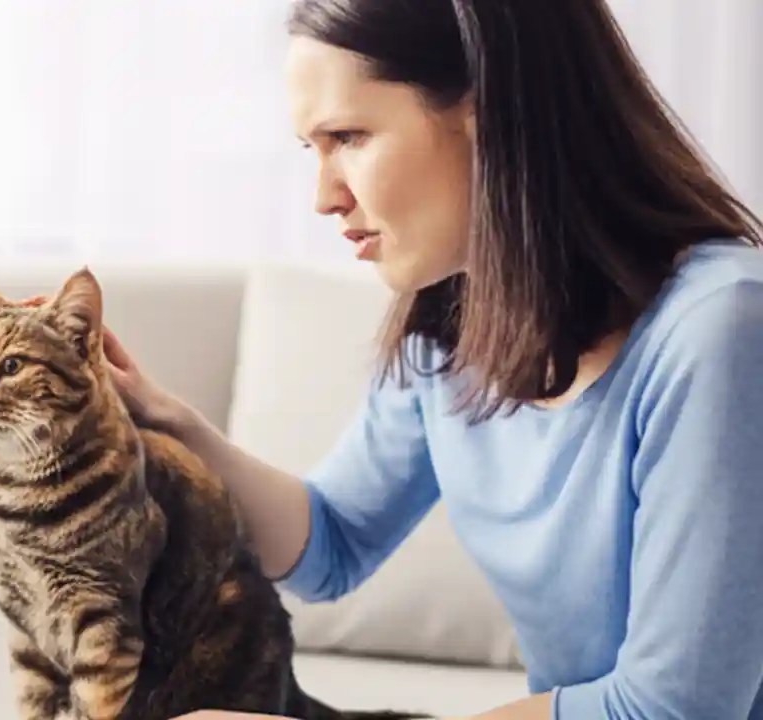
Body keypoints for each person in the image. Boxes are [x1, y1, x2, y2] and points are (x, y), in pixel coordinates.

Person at [96, 1, 763, 719]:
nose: (324, 196)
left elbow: (677, 709)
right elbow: (333, 544)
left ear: (487, 111)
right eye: (310, 149)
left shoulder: (719, 332)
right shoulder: (450, 325)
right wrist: (172, 427)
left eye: (348, 136)